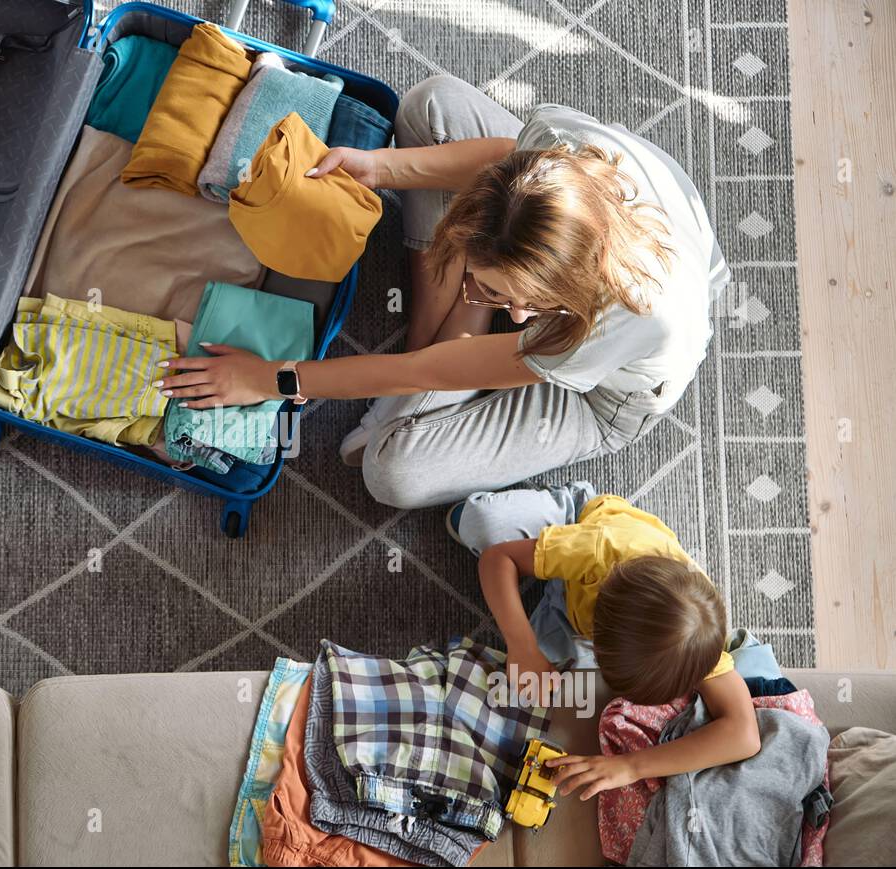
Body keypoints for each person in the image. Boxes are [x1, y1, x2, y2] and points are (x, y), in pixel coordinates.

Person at [155, 75, 730, 514]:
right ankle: (443, 329)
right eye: (481, 282)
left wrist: (277, 377)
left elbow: (436, 370)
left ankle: (443, 341)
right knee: (431, 104)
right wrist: (378, 168)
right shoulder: (559, 147)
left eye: (506, 299)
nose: (509, 310)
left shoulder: (623, 318)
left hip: (603, 395)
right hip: (622, 257)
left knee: (392, 473)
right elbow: (500, 159)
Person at [454, 482, 760, 798]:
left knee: (530, 701)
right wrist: (523, 645)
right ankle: (555, 508)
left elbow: (744, 734)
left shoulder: (696, 642)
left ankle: (545, 577)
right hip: (580, 524)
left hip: (584, 618)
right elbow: (497, 559)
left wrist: (630, 767)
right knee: (477, 522)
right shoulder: (600, 551)